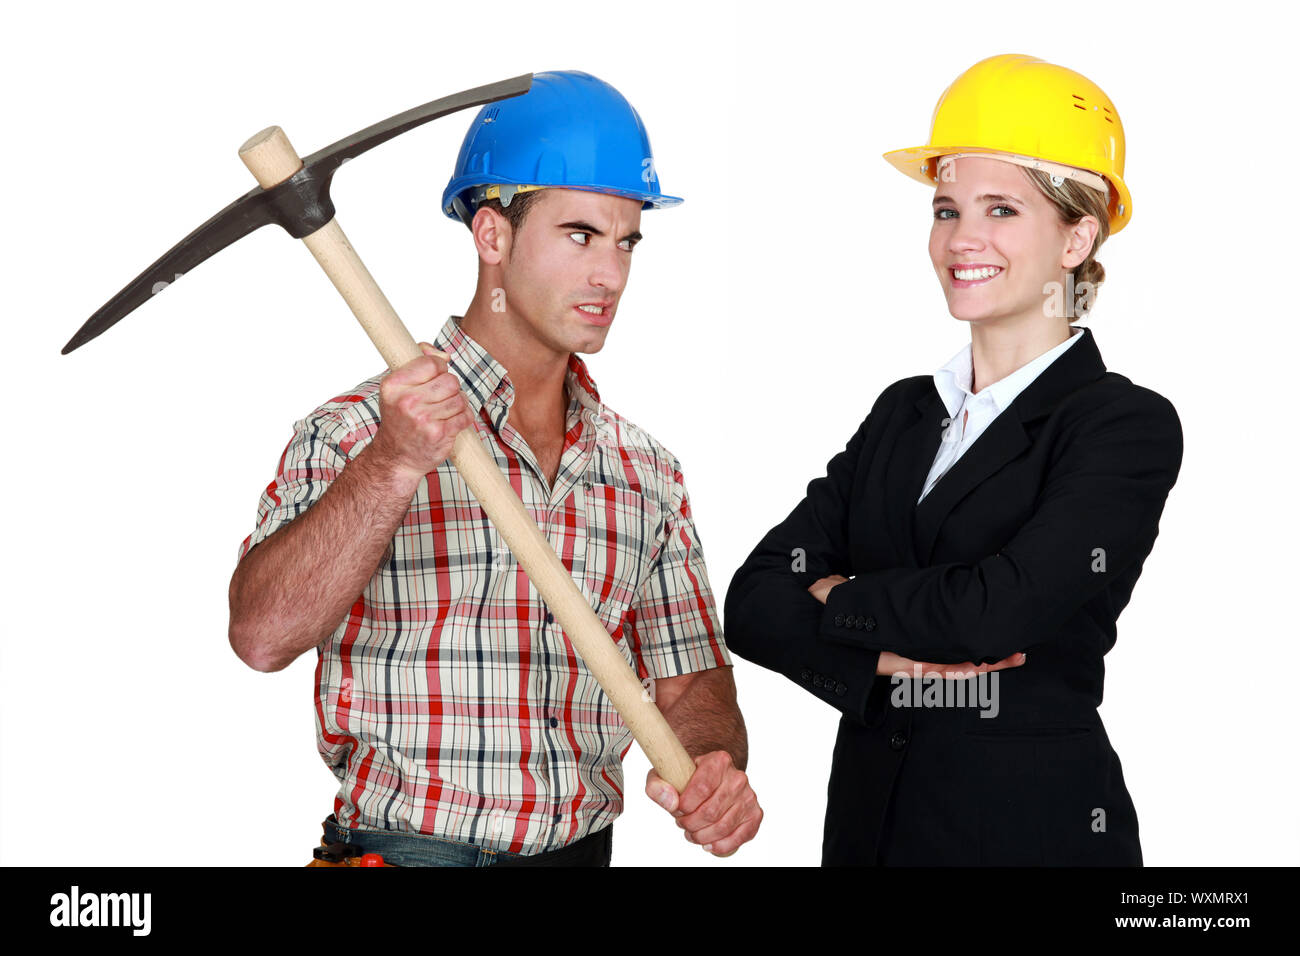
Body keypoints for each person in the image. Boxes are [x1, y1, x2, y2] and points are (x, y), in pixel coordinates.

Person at [227, 71, 761, 866]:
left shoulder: (645, 470)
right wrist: (395, 464)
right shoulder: (354, 434)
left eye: (625, 241)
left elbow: (691, 683)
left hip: (583, 853)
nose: (609, 274)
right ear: (492, 236)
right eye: (580, 235)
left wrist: (714, 765)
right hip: (408, 855)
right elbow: (261, 636)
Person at [724, 54, 1182, 866]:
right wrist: (879, 648)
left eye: (1001, 209)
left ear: (1078, 236)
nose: (961, 240)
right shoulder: (905, 411)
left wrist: (843, 601)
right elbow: (755, 597)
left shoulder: (1121, 425)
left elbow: (996, 612)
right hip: (870, 837)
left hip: (1028, 837)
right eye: (946, 209)